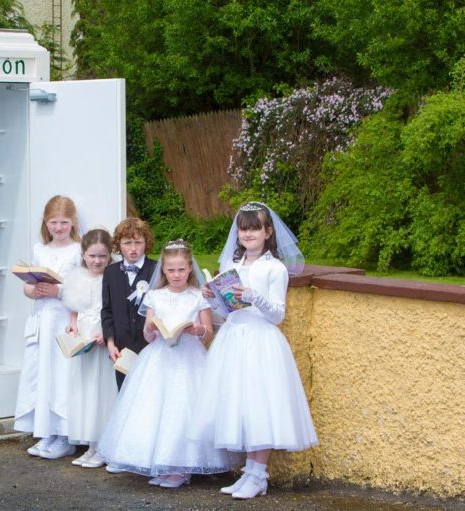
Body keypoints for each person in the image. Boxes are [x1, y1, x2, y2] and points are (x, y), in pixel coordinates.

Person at [193, 201, 318, 499]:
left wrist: (254, 297)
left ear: (268, 231)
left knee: (261, 404)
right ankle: (249, 473)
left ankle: (259, 473)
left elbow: (277, 315)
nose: (247, 234)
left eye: (254, 228)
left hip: (261, 341)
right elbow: (225, 313)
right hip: (234, 339)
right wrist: (211, 297)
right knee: (242, 405)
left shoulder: (274, 268)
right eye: (242, 228)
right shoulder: (231, 267)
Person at [97, 240, 237, 488]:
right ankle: (162, 463)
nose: (176, 275)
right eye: (171, 270)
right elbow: (148, 336)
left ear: (189, 269)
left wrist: (197, 329)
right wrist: (151, 328)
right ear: (163, 270)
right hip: (159, 357)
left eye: (181, 270)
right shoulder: (154, 296)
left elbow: (208, 335)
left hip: (189, 358)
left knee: (183, 409)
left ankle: (181, 467)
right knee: (156, 408)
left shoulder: (197, 296)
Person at [14, 195, 82, 460]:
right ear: (46, 222)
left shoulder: (77, 250)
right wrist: (33, 289)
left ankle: (64, 435)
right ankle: (45, 431)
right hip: (42, 318)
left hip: (64, 319)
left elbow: (82, 287)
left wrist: (57, 291)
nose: (58, 227)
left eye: (64, 222)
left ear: (73, 222)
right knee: (41, 374)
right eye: (53, 222)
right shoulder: (40, 249)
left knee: (61, 374)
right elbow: (28, 287)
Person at [60, 228, 118, 469]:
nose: (97, 261)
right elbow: (75, 306)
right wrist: (73, 324)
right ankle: (91, 444)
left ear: (110, 255)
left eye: (102, 256)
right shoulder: (77, 277)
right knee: (85, 391)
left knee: (101, 391)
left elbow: (113, 310)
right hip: (84, 337)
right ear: (83, 254)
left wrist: (107, 333)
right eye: (92, 256)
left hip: (102, 337)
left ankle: (104, 445)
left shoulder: (113, 277)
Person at [101, 217, 157, 389]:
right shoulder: (110, 272)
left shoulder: (156, 270)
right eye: (127, 243)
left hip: (150, 346)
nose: (133, 249)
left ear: (146, 243)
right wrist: (110, 343)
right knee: (125, 392)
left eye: (138, 242)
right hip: (122, 348)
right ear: (118, 245)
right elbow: (107, 310)